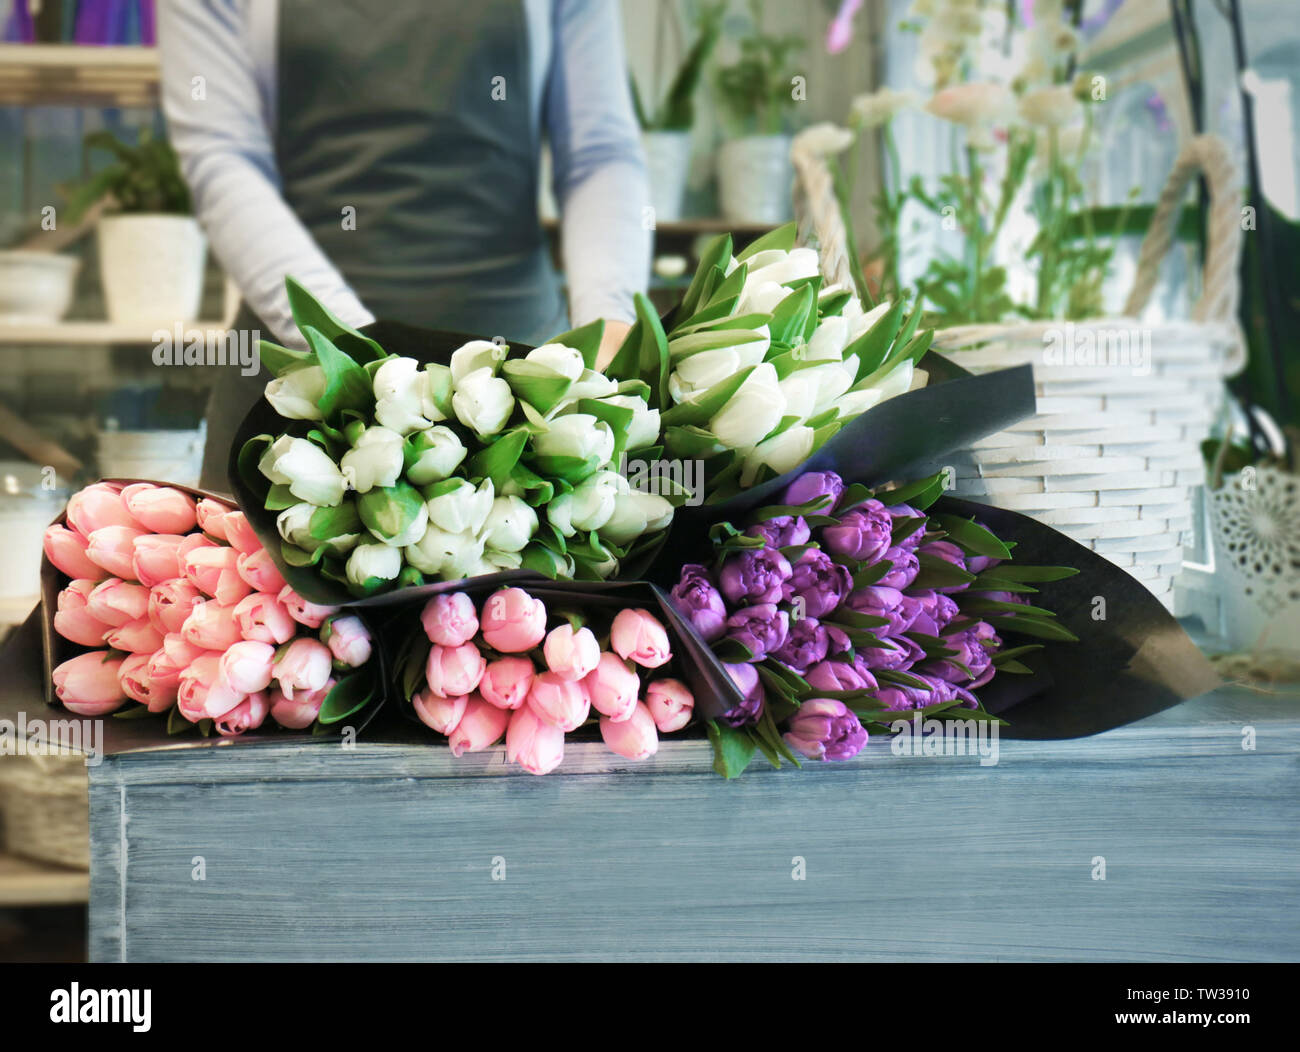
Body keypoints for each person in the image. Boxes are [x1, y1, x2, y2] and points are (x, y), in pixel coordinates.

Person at [157, 0, 651, 490]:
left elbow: (599, 152)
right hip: (301, 388)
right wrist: (351, 355)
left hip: (520, 388)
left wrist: (609, 313)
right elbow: (221, 157)